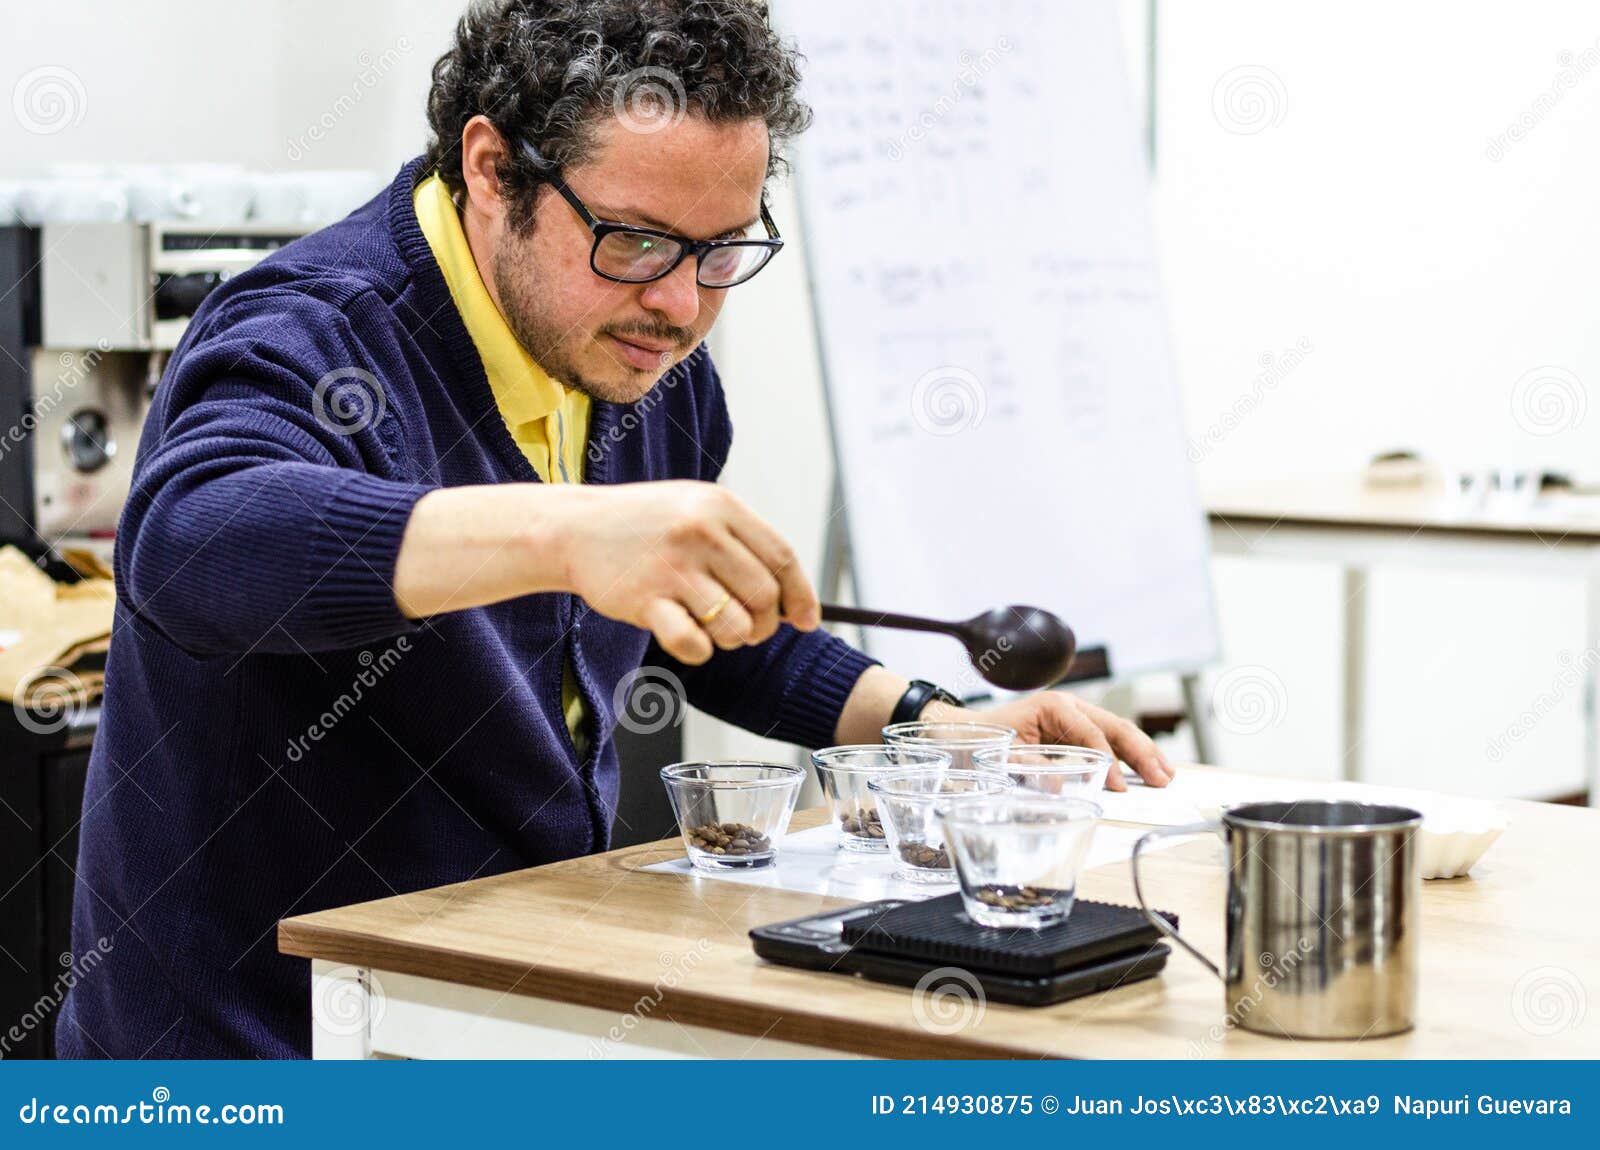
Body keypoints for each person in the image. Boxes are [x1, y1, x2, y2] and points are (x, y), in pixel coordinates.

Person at [58, 0, 1171, 1059]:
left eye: (724, 249)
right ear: (493, 171)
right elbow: (192, 542)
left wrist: (932, 726)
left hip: (483, 1007)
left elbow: (710, 620)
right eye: (637, 242)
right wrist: (571, 533)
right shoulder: (313, 331)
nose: (682, 305)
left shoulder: (641, 363)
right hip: (252, 1046)